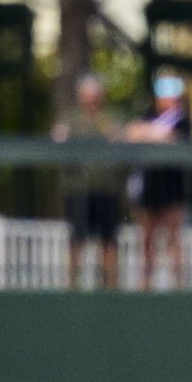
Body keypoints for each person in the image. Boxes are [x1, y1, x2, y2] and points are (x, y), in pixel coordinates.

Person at [53, 74, 125, 289]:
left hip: (107, 190)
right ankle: (72, 286)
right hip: (78, 190)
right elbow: (58, 147)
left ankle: (111, 288)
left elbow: (124, 151)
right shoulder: (69, 120)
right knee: (77, 239)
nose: (91, 99)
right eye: (87, 95)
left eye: (94, 95)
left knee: (109, 240)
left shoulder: (112, 119)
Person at [126, 75, 192, 290]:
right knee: (147, 236)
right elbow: (132, 133)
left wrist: (150, 134)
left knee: (174, 236)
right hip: (150, 184)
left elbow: (170, 137)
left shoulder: (184, 120)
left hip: (173, 184)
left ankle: (177, 284)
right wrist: (152, 133)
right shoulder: (149, 116)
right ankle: (145, 282)